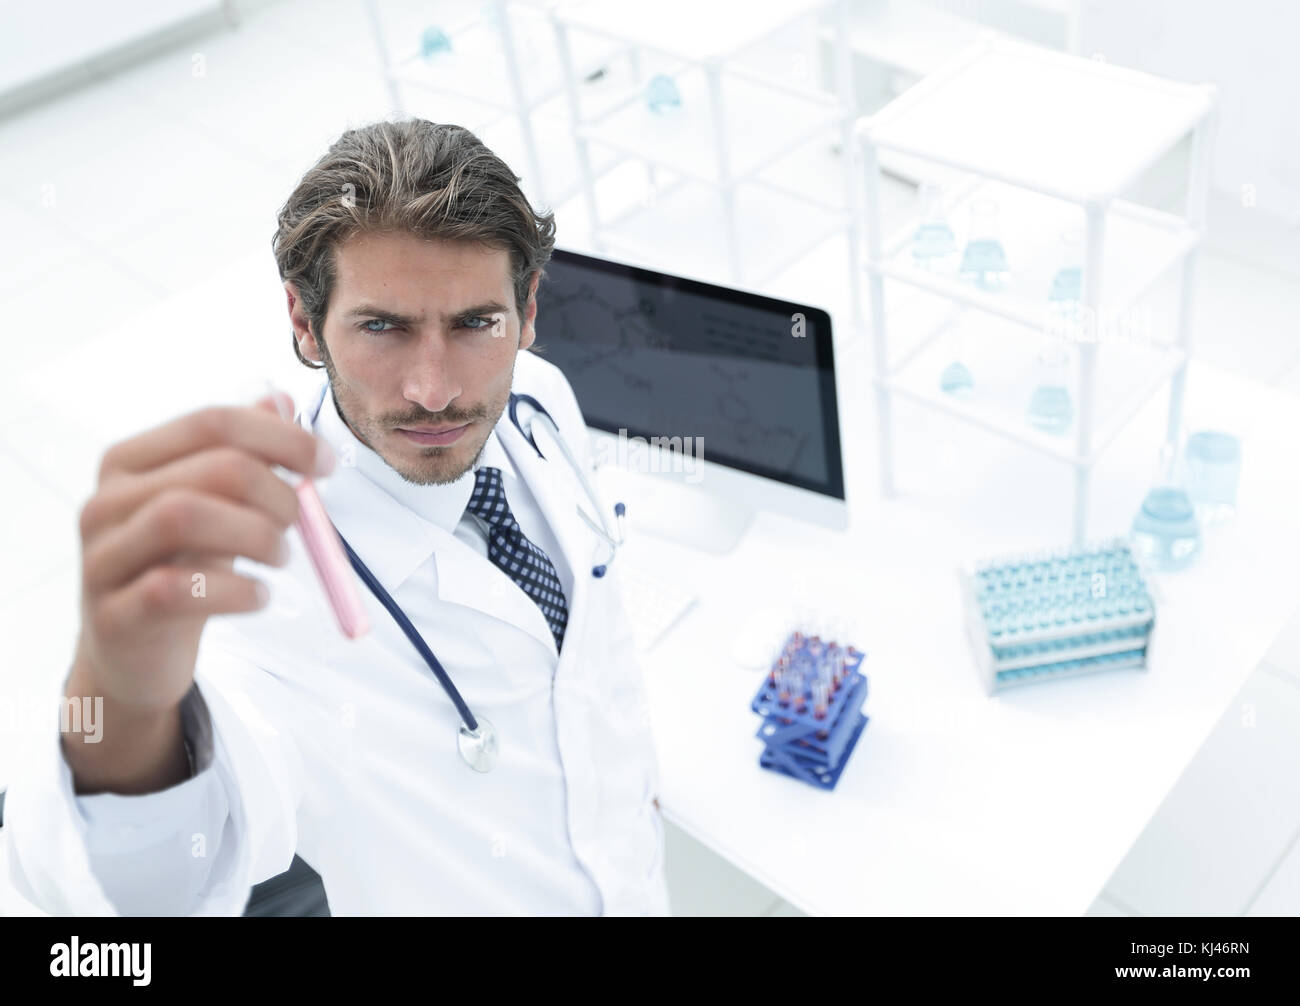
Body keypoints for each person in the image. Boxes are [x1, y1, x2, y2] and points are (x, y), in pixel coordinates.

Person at [1, 118, 668, 916]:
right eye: (382, 327)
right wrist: (120, 679)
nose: (435, 389)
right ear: (303, 322)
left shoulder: (539, 402)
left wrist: (629, 787)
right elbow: (153, 880)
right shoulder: (266, 591)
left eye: (473, 324)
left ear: (525, 310)